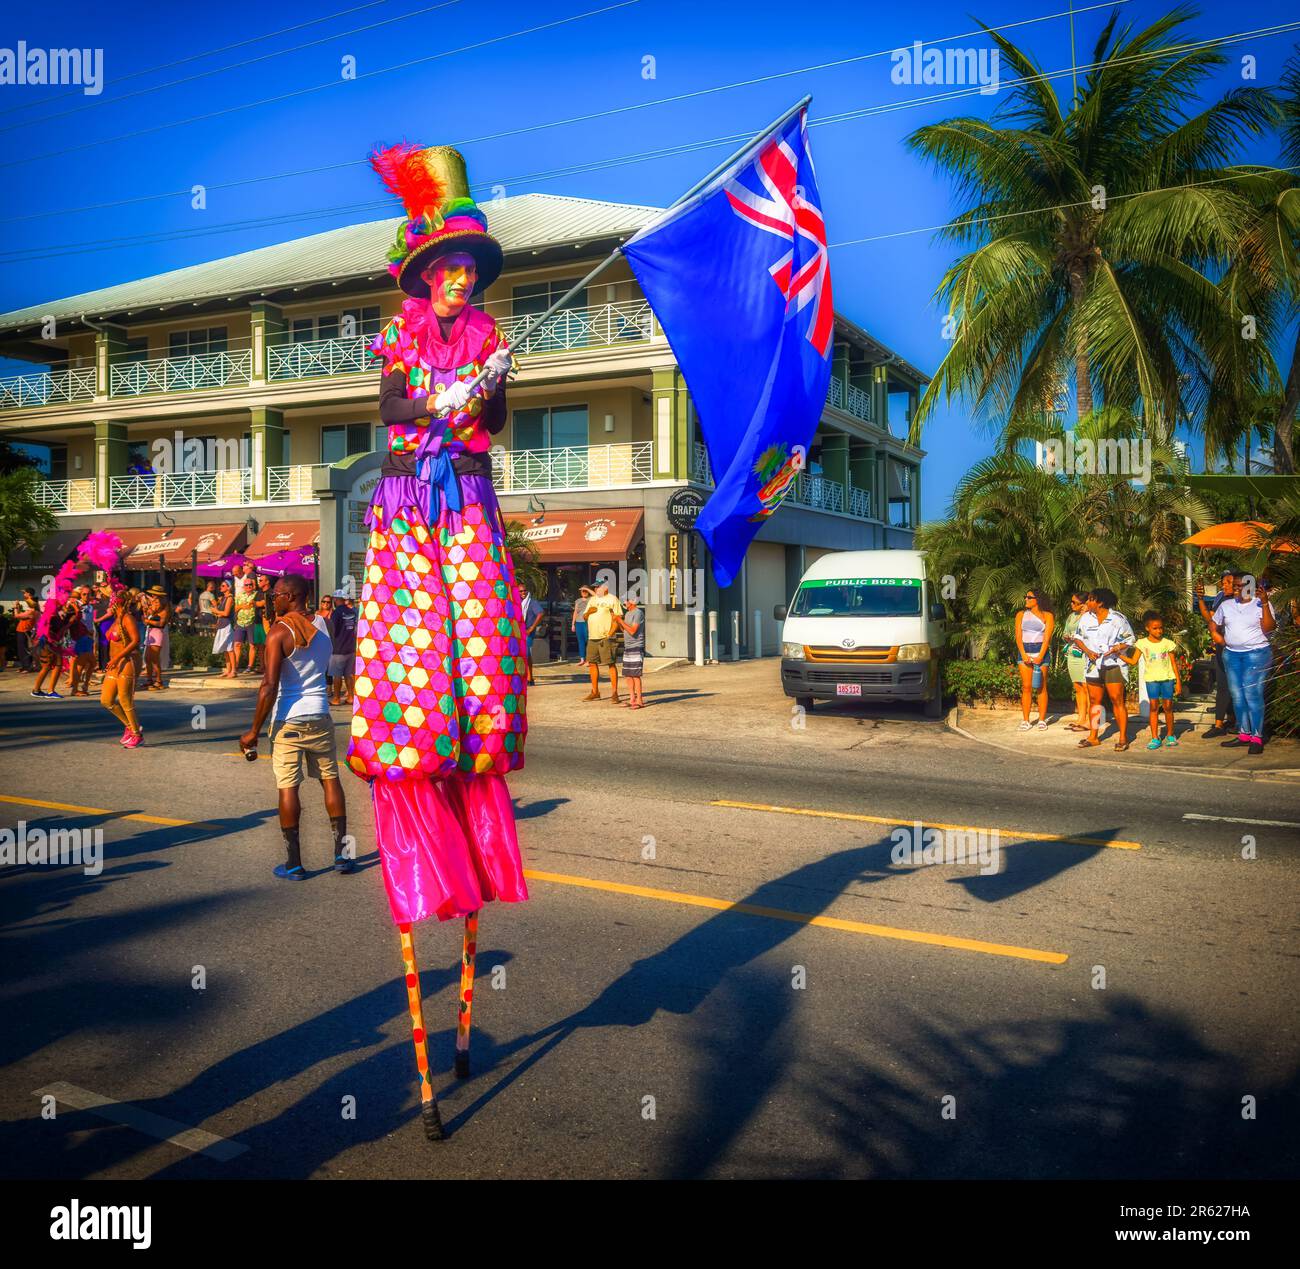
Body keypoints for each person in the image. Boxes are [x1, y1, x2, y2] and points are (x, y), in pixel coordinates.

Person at [240, 574, 353, 879]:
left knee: (288, 787)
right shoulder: (323, 625)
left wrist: (253, 732)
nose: (271, 599)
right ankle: (341, 856)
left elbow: (268, 686)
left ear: (290, 596)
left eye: (276, 594)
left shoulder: (279, 632)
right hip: (320, 715)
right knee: (330, 780)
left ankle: (294, 864)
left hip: (288, 721)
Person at [1212, 572, 1276, 756]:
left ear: (1251, 585)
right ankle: (1244, 735)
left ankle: (1257, 737)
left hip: (1257, 654)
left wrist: (1264, 602)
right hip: (1232, 655)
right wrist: (1216, 636)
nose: (1238, 588)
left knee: (1252, 694)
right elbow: (1213, 622)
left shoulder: (1260, 603)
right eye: (1236, 585)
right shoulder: (1226, 605)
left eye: (1242, 585)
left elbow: (1269, 628)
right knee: (1238, 696)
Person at [1070, 587, 1135, 751]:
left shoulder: (1118, 619)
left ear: (1100, 602)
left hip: (1113, 664)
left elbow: (1130, 639)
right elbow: (1077, 638)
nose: (1088, 602)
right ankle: (1093, 737)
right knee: (1094, 702)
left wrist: (1117, 648)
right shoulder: (1085, 619)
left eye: (1091, 599)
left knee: (1117, 700)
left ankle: (1122, 738)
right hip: (1092, 666)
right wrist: (1088, 651)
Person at [1121, 611, 1182, 750]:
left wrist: (1178, 682)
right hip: (1151, 680)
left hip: (1167, 679)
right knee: (1154, 707)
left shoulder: (1168, 643)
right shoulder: (1142, 643)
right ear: (1147, 628)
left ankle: (1170, 735)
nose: (1159, 631)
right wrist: (1118, 655)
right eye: (1155, 628)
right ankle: (1155, 737)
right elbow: (1133, 661)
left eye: (1161, 628)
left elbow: (1173, 663)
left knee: (1168, 707)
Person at [1194, 570, 1238, 739]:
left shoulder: (1243, 601)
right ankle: (1219, 724)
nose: (1224, 585)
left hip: (1237, 649)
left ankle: (1234, 721)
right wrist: (1201, 599)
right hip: (1222, 648)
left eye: (1228, 582)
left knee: (1237, 688)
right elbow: (1210, 619)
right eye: (1223, 582)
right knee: (1222, 685)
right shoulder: (1220, 597)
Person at [101, 588, 144, 747]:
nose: (109, 603)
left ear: (118, 603)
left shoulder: (128, 618)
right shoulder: (116, 618)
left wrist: (117, 658)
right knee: (106, 700)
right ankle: (130, 726)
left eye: (112, 600)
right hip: (115, 663)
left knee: (125, 699)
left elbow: (135, 641)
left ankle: (137, 734)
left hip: (127, 662)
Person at [1014, 587, 1054, 730]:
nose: (1026, 599)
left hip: (1040, 651)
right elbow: (1018, 637)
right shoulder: (1020, 614)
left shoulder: (1047, 615)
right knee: (1026, 687)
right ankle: (1026, 720)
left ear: (1037, 600)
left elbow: (1047, 639)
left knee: (1041, 687)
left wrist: (1040, 656)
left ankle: (1042, 720)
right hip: (1024, 651)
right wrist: (1024, 654)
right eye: (1026, 596)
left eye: (1029, 597)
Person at [581, 581, 623, 703]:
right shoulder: (592, 599)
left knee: (610, 663)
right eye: (594, 587)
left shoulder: (612, 599)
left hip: (606, 637)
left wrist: (610, 633)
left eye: (598, 586)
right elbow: (584, 617)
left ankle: (615, 693)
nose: (595, 588)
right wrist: (589, 612)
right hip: (592, 637)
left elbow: (618, 618)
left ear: (605, 588)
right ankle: (595, 692)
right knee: (592, 663)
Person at [1060, 590, 1091, 732]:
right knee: (1078, 687)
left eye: (1076, 603)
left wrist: (1086, 613)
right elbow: (1066, 631)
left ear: (1084, 604)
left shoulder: (1090, 617)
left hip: (1085, 654)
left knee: (1087, 687)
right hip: (1073, 653)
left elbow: (1088, 632)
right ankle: (1081, 718)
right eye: (1071, 601)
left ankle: (1090, 720)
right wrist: (1066, 637)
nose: (1072, 604)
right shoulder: (1071, 616)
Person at [611, 595, 646, 709]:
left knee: (635, 675)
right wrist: (617, 621)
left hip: (636, 647)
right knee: (628, 675)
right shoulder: (627, 614)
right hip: (628, 647)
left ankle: (639, 700)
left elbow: (632, 631)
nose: (624, 603)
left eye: (625, 601)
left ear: (632, 602)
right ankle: (632, 699)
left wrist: (620, 620)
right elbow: (625, 629)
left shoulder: (638, 613)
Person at [327, 589, 357, 707]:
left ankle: (336, 698)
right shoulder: (351, 611)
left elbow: (332, 629)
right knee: (349, 674)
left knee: (337, 674)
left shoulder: (336, 613)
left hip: (339, 648)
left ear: (336, 599)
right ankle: (351, 697)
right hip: (351, 647)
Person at [142, 585, 171, 690]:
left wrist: (148, 621)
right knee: (147, 658)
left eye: (154, 595)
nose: (152, 597)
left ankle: (159, 681)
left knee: (154, 659)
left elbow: (161, 623)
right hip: (150, 632)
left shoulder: (164, 609)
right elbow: (146, 616)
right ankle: (149, 680)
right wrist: (146, 612)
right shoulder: (155, 607)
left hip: (157, 632)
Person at [232, 564, 258, 673]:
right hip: (240, 622)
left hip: (252, 622)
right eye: (246, 585)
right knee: (237, 644)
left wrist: (250, 605)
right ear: (243, 586)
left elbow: (255, 605)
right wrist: (243, 606)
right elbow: (236, 608)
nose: (248, 587)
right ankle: (236, 665)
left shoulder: (256, 594)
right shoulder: (239, 596)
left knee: (252, 645)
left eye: (250, 585)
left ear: (253, 585)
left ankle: (249, 666)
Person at [519, 586, 544, 687]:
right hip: (517, 631)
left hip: (527, 631)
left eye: (525, 590)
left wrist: (532, 628)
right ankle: (528, 677)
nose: (523, 592)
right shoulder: (516, 602)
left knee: (525, 654)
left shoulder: (532, 602)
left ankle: (528, 677)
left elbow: (540, 613)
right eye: (520, 591)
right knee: (524, 654)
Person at [212, 579, 237, 678]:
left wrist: (215, 610)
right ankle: (228, 669)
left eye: (223, 586)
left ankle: (234, 670)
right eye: (221, 586)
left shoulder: (230, 598)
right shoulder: (223, 598)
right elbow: (221, 614)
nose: (220, 587)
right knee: (225, 649)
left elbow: (226, 613)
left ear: (229, 587)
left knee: (230, 648)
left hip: (227, 625)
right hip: (222, 625)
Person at [252, 572, 272, 671]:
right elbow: (254, 603)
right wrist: (258, 603)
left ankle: (269, 666)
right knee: (259, 646)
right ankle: (262, 666)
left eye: (261, 580)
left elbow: (261, 603)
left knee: (268, 645)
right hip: (257, 621)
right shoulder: (259, 593)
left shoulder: (271, 592)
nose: (258, 582)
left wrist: (258, 603)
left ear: (267, 582)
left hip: (267, 622)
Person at [14, 587, 37, 673]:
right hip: (21, 629)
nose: (24, 595)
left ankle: (27, 667)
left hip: (25, 630)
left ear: (29, 594)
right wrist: (18, 607)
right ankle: (24, 666)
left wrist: (15, 608)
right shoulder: (30, 604)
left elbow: (17, 616)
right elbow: (21, 616)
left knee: (24, 649)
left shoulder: (32, 606)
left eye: (25, 593)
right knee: (21, 649)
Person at [572, 584, 592, 666]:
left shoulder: (591, 599)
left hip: (587, 622)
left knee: (588, 640)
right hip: (578, 622)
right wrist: (573, 624)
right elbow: (575, 612)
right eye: (582, 591)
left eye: (585, 591)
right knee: (580, 641)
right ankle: (582, 659)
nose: (583, 592)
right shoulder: (578, 600)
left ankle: (589, 660)